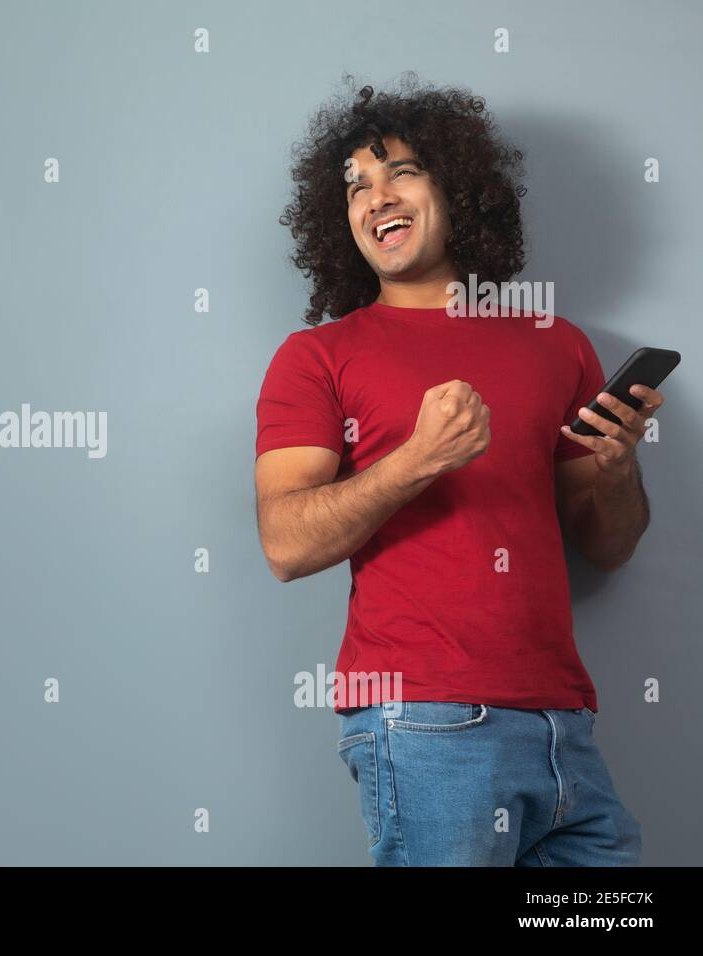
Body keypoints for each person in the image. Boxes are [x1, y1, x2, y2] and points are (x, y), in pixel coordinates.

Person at [255, 75, 655, 865]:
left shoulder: (557, 342)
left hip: (562, 718)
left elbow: (607, 547)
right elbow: (285, 544)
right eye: (356, 186)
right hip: (424, 721)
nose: (375, 198)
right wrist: (419, 460)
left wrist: (615, 471)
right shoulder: (318, 357)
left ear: (457, 190)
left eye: (400, 171)